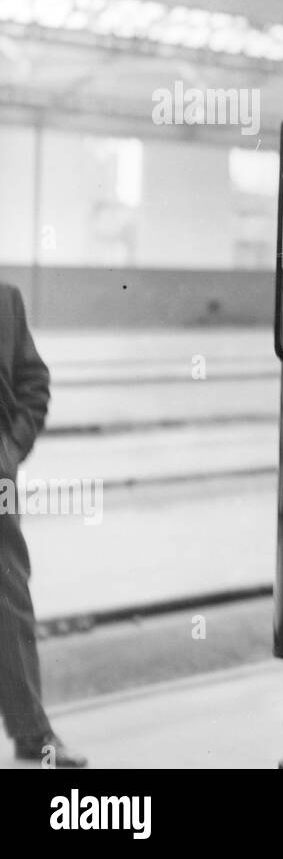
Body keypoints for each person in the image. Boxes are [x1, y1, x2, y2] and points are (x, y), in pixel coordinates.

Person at [0, 282, 86, 767]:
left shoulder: (4, 299)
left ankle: (34, 734)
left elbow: (33, 380)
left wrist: (10, 449)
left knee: (9, 600)